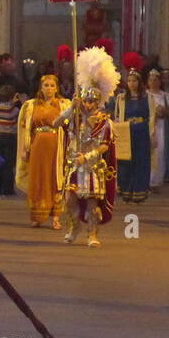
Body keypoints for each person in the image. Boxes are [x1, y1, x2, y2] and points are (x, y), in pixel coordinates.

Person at [57, 47, 120, 248]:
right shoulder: (75, 117)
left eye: (93, 101)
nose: (89, 104)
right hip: (74, 163)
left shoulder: (105, 122)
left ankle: (92, 233)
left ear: (98, 101)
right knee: (69, 200)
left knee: (93, 204)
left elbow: (104, 147)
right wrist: (71, 108)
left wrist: (88, 156)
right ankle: (74, 228)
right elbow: (56, 123)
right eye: (86, 100)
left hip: (92, 166)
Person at [16, 74, 69, 228]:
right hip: (37, 145)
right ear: (41, 87)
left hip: (56, 146)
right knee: (38, 179)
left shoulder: (64, 104)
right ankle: (37, 215)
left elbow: (72, 123)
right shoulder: (31, 105)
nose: (49, 89)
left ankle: (56, 217)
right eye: (46, 85)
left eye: (52, 85)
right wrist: (23, 148)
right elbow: (24, 128)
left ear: (57, 88)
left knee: (55, 179)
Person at [113, 64, 154, 204]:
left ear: (139, 82)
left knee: (141, 161)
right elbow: (117, 116)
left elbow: (152, 116)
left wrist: (151, 134)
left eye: (134, 80)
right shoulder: (122, 98)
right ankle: (126, 191)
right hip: (126, 131)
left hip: (141, 131)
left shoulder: (147, 97)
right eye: (129, 81)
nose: (132, 83)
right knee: (126, 161)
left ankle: (139, 191)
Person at [145, 68, 169, 189]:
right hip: (148, 126)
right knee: (148, 153)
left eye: (155, 80)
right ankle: (146, 180)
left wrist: (163, 111)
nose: (153, 82)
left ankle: (156, 181)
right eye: (150, 80)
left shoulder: (165, 96)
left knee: (160, 152)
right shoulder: (145, 95)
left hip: (161, 127)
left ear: (159, 82)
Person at [0, 84, 19, 196]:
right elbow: (10, 113)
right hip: (10, 136)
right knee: (9, 163)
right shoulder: (15, 109)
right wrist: (15, 102)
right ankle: (7, 189)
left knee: (0, 161)